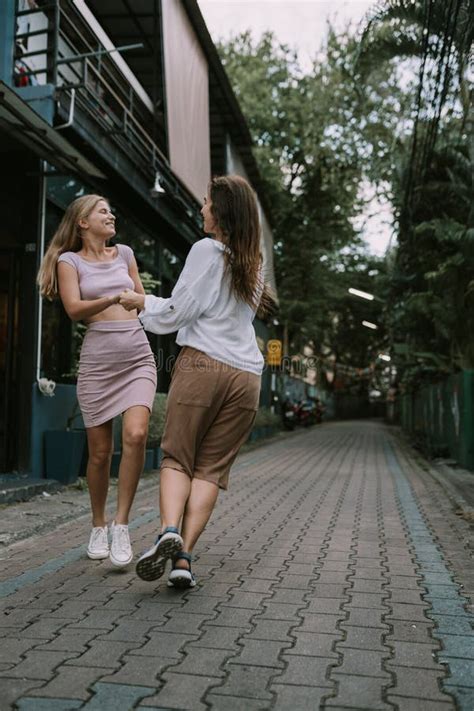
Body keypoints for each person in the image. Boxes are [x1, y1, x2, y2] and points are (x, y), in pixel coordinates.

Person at [119, 174, 274, 589]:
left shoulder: (207, 250)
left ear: (220, 212)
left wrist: (142, 303)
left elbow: (178, 312)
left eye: (206, 203)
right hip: (247, 377)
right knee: (209, 471)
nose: (201, 209)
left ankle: (168, 529)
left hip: (204, 365)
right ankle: (183, 558)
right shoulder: (253, 265)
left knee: (177, 458)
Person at [37, 195, 157, 568]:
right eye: (103, 210)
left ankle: (121, 525)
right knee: (100, 453)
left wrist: (142, 301)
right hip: (98, 362)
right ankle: (98, 524)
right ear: (82, 222)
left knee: (136, 435)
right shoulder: (68, 261)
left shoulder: (125, 254)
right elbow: (73, 310)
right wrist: (110, 298)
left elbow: (141, 301)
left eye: (111, 209)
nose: (112, 215)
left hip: (137, 355)